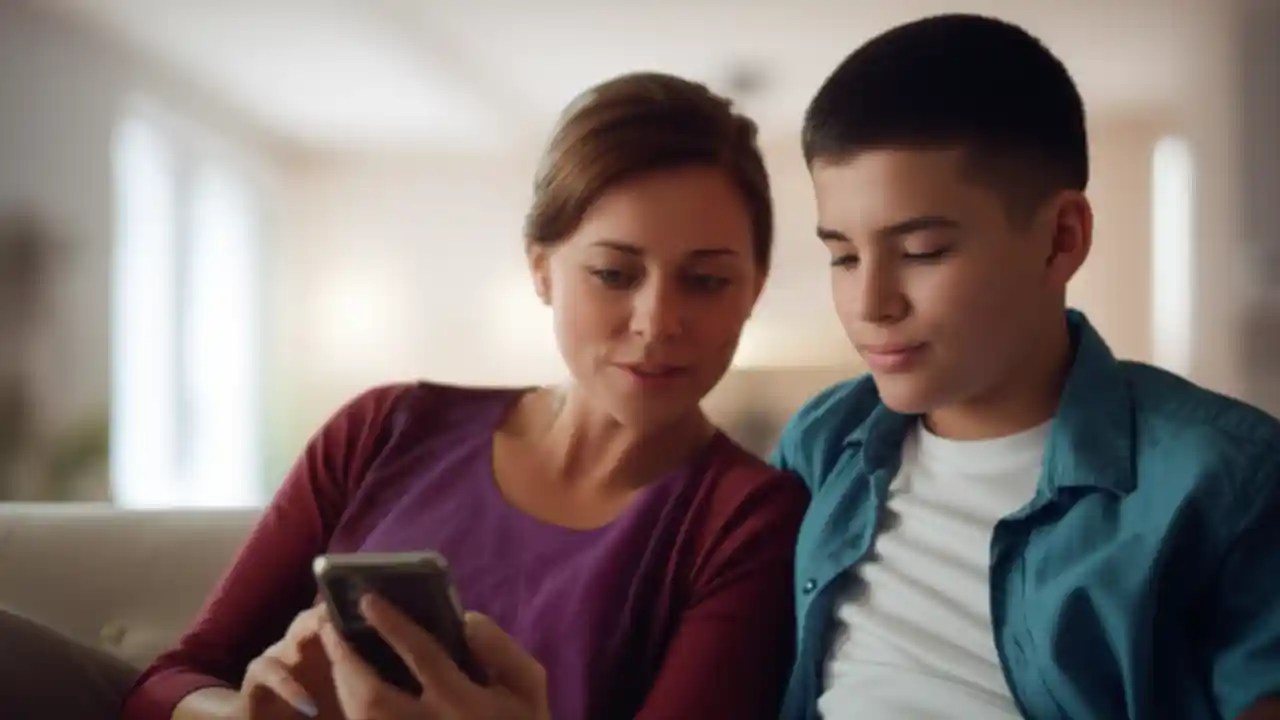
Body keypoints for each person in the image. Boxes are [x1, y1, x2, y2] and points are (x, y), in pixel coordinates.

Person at [121, 71, 808, 720]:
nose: (657, 323)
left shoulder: (749, 523)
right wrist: (247, 712)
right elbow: (171, 682)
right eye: (613, 273)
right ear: (541, 270)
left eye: (706, 281)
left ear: (754, 288)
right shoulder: (381, 433)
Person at [772, 13, 1280, 720]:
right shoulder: (824, 441)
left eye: (921, 252)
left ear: (1061, 239)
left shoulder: (1226, 479)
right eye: (844, 256)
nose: (870, 304)